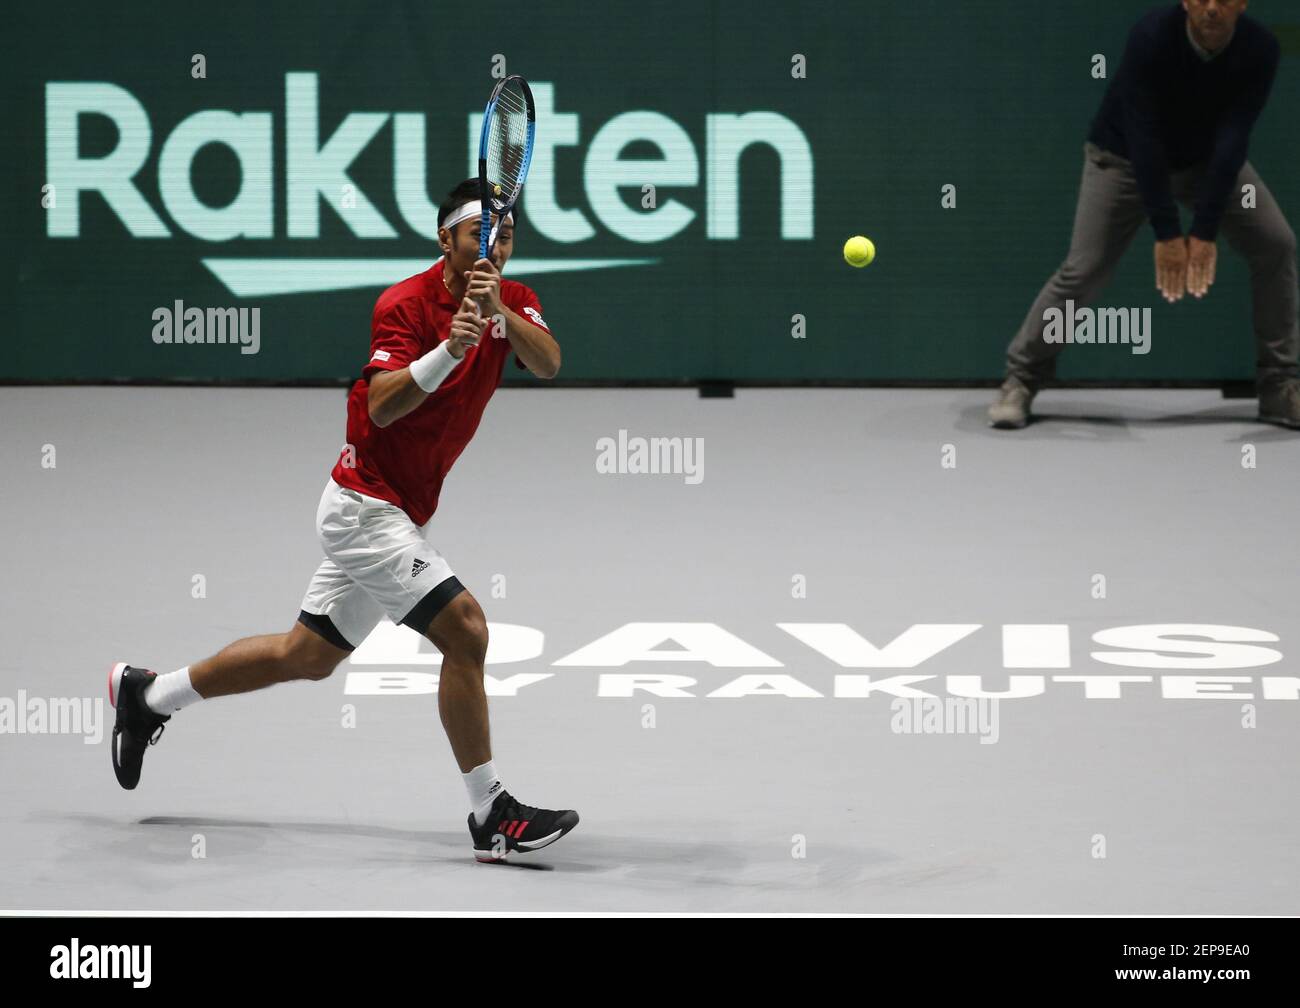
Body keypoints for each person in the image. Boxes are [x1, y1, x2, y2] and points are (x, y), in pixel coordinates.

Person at [108, 179, 579, 863]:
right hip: (366, 509)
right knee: (466, 631)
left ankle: (148, 695)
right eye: (481, 233)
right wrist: (451, 346)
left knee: (306, 657)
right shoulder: (404, 305)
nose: (495, 246)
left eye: (506, 235)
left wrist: (499, 305)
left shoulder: (514, 298)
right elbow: (383, 406)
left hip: (396, 509)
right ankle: (490, 813)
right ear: (446, 238)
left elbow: (551, 362)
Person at [990, 0, 1298, 429]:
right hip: (1121, 160)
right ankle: (1021, 378)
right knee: (1086, 269)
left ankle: (1279, 387)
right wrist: (1169, 233)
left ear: (1242, 2)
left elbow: (1233, 137)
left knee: (1276, 244)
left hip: (1207, 161)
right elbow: (1144, 135)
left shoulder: (1260, 48)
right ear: (1186, 1)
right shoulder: (1152, 35)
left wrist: (1204, 231)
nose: (1212, 8)